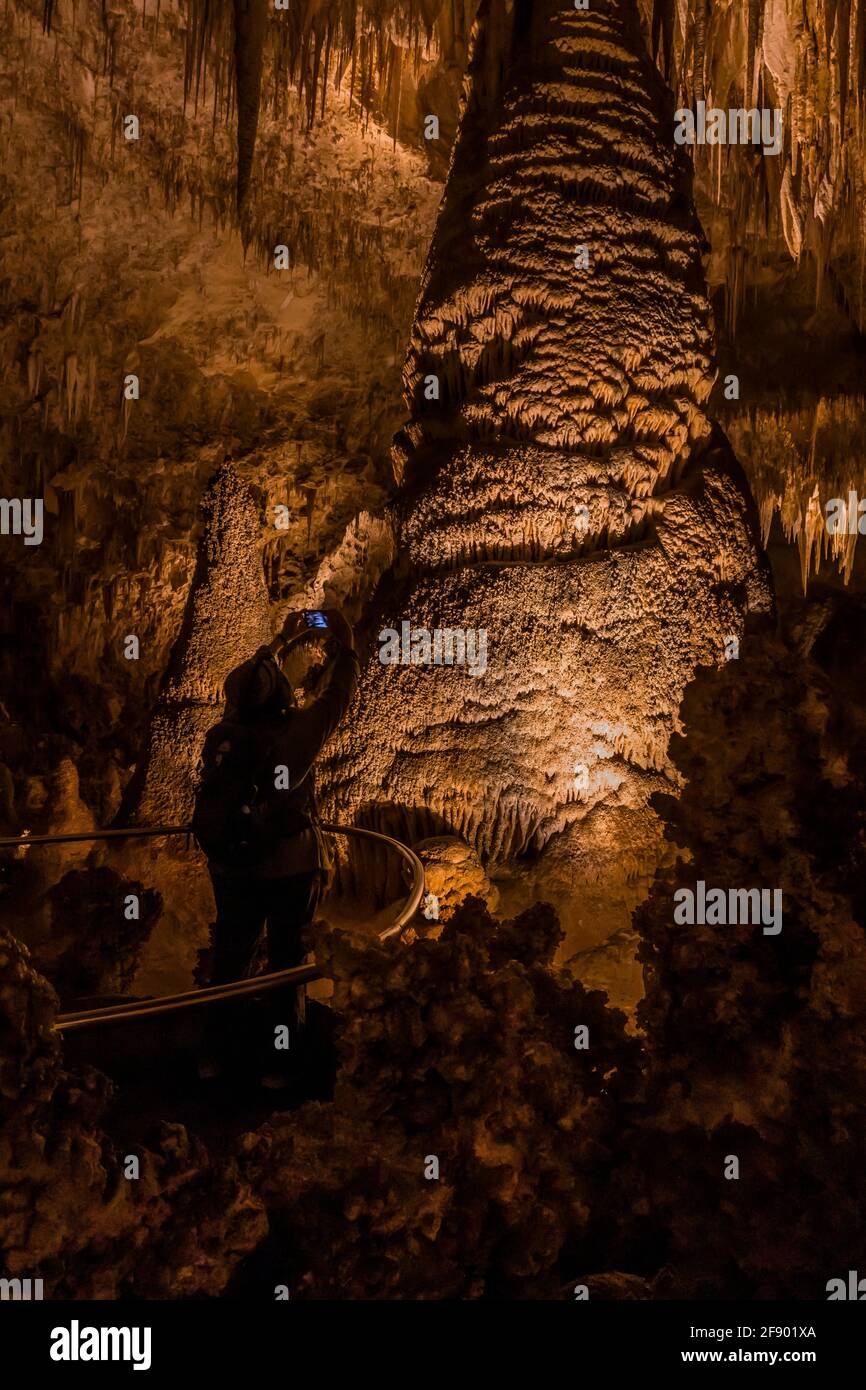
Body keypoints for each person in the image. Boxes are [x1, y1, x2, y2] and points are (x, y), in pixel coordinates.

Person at [193, 608, 358, 1084]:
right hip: (288, 868)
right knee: (286, 965)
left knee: (229, 962)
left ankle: (215, 1057)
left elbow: (244, 688)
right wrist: (345, 645)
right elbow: (336, 699)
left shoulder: (227, 730)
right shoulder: (293, 737)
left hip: (230, 866)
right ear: (281, 693)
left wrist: (280, 643)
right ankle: (280, 1066)